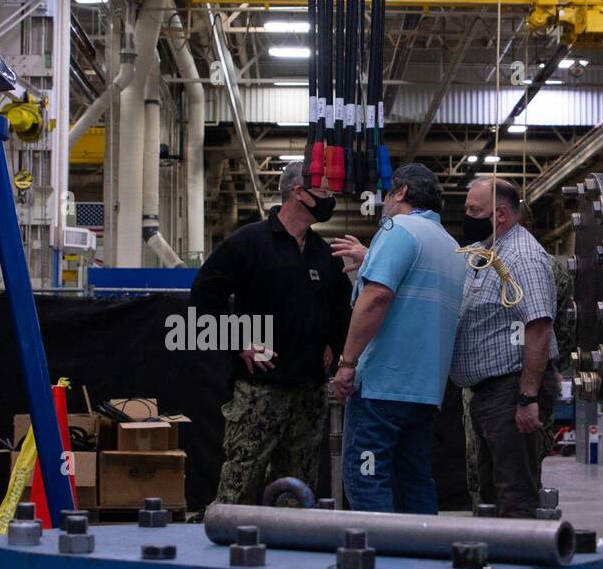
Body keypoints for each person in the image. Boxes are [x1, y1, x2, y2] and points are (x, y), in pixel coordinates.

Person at [191, 160, 352, 506]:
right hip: (259, 390)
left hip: (308, 390)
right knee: (241, 475)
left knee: (298, 484)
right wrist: (238, 341)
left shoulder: (323, 254)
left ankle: (291, 547)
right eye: (322, 189)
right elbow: (205, 294)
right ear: (298, 192)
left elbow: (342, 307)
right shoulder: (249, 242)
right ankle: (220, 546)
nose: (329, 197)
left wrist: (333, 345)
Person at [329, 164, 463, 513]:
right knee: (415, 482)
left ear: (401, 192)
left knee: (367, 479)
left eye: (387, 194)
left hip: (382, 388)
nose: (383, 202)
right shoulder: (450, 246)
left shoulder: (398, 229)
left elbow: (377, 298)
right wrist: (371, 257)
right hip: (424, 394)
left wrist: (347, 364)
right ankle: (421, 561)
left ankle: (379, 563)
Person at [449, 176, 559, 517]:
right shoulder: (488, 252)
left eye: (473, 209)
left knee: (515, 493)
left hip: (512, 388)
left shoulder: (521, 256)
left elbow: (538, 327)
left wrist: (527, 397)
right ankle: (495, 566)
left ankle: (519, 568)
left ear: (499, 215)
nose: (466, 214)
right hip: (489, 392)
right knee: (490, 490)